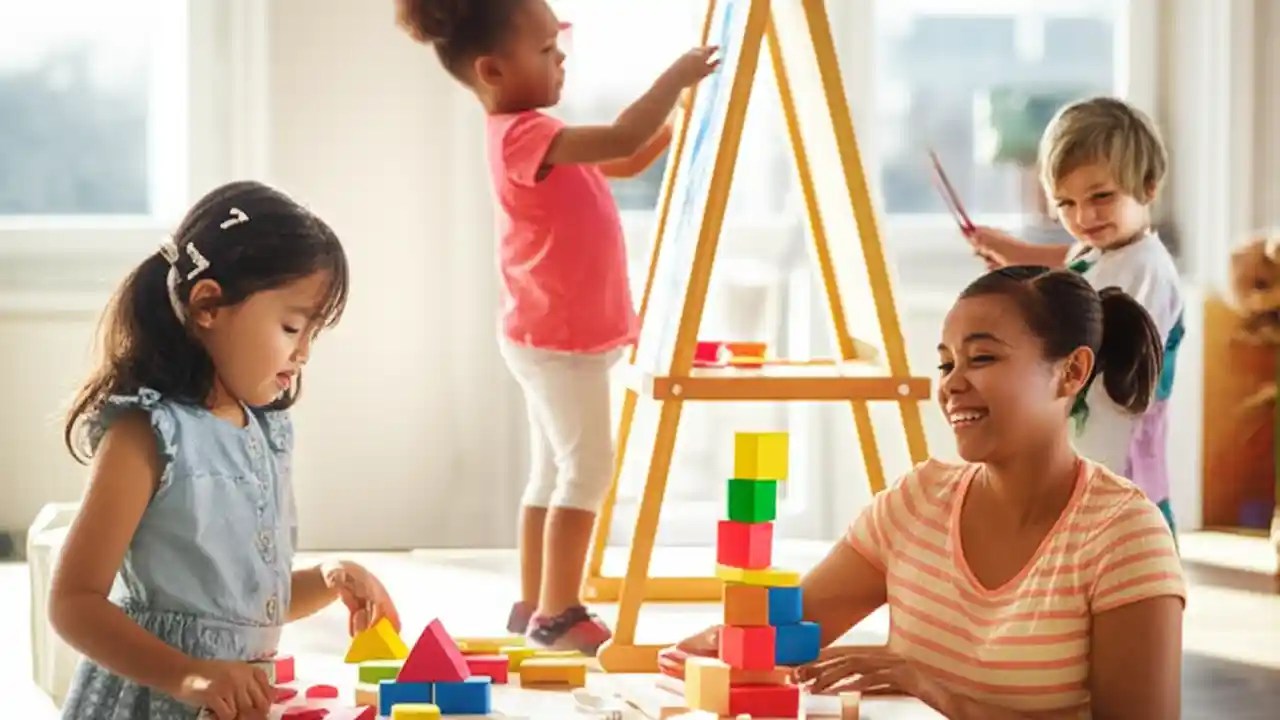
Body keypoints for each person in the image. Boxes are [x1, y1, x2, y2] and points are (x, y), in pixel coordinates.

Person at [665, 267, 1185, 719]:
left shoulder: (1124, 535)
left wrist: (935, 694)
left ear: (1071, 372)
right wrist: (722, 644)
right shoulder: (917, 500)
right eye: (945, 363)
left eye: (981, 358)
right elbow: (792, 628)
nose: (951, 384)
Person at [394, 0, 716, 654]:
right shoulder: (521, 135)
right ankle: (560, 613)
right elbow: (623, 139)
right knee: (588, 469)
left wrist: (679, 125)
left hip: (550, 335)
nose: (561, 56)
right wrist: (674, 80)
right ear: (492, 69)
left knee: (553, 470)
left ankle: (534, 600)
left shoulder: (538, 133)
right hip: (558, 341)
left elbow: (621, 162)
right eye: (545, 50)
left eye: (557, 42)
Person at [49, 181, 401, 719]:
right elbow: (73, 603)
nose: (303, 353)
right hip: (156, 701)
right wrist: (188, 674)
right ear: (208, 305)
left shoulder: (264, 429)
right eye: (291, 327)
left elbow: (241, 606)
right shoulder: (148, 432)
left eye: (313, 334)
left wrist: (328, 576)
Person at [967, 96, 1184, 536]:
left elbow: (1111, 336)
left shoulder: (1146, 268)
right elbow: (1069, 260)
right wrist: (1011, 251)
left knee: (1135, 550)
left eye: (1101, 197)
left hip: (1123, 452)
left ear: (1148, 185)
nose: (1084, 216)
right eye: (1065, 204)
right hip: (1088, 444)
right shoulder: (1102, 248)